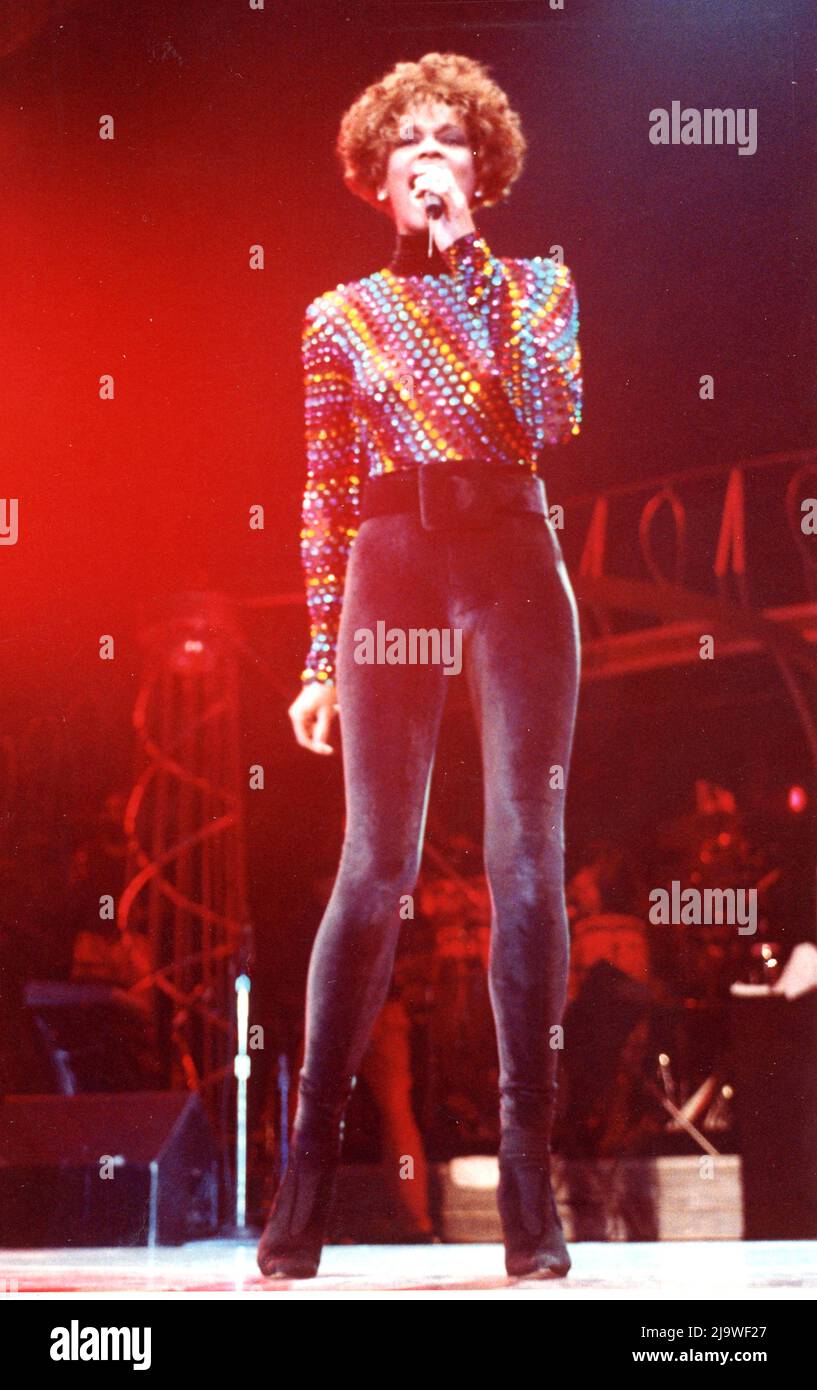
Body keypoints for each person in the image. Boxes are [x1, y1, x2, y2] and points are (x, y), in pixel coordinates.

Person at [258, 51, 583, 1280]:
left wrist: (475, 274)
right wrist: (310, 655)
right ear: (374, 180)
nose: (425, 159)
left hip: (511, 550)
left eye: (446, 141)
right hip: (390, 560)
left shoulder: (538, 287)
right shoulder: (335, 316)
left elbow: (551, 413)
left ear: (481, 170)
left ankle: (527, 1184)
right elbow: (323, 490)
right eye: (404, 147)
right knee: (373, 862)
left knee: (524, 853)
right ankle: (303, 1182)